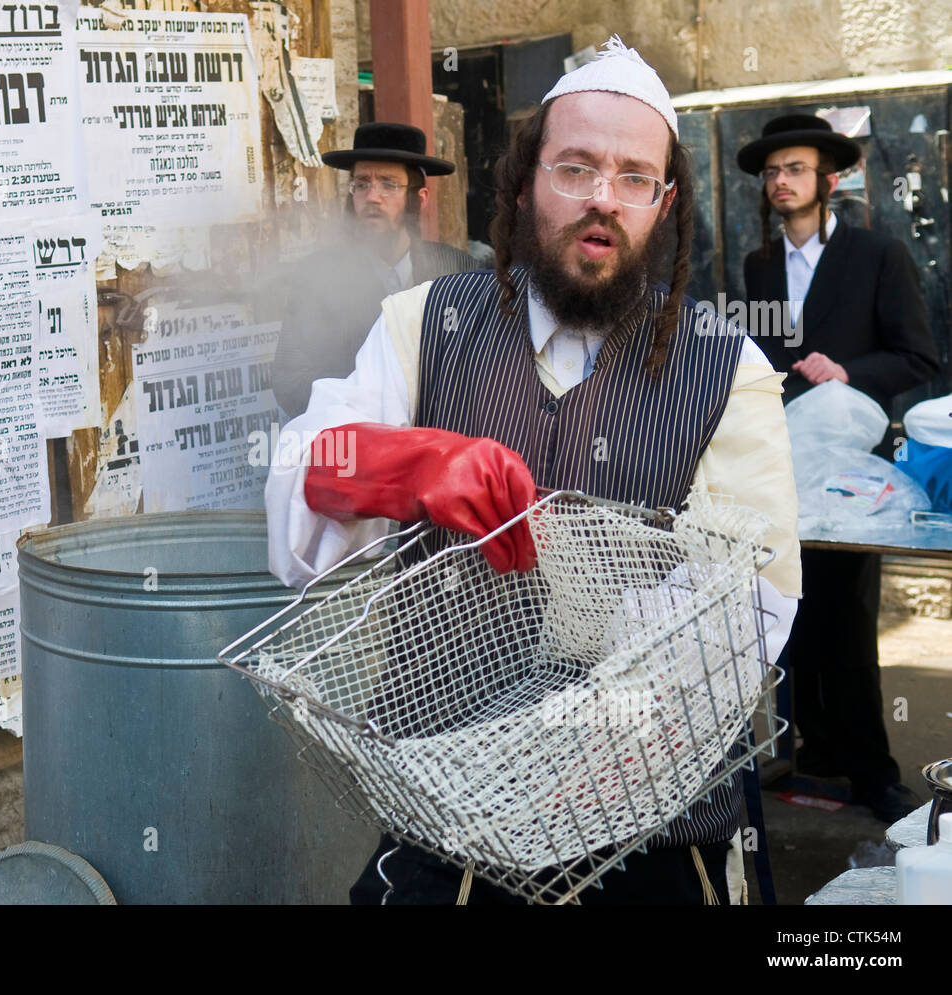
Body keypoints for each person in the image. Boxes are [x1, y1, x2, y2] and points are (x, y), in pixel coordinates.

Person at [265, 36, 802, 905]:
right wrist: (390, 465)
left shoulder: (725, 365)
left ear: (664, 204)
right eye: (575, 168)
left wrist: (564, 737)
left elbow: (750, 613)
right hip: (444, 834)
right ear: (523, 181)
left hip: (651, 848)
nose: (604, 201)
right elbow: (298, 495)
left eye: (634, 178)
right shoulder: (423, 322)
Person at [739, 114, 939, 823]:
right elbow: (760, 363)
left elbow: (919, 357)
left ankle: (874, 773)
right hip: (784, 460)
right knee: (792, 608)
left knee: (851, 619)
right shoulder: (758, 266)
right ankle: (813, 752)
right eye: (771, 173)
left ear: (827, 180)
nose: (780, 182)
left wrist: (849, 369)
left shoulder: (878, 255)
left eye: (793, 169)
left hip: (854, 472)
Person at [271, 122, 476, 417]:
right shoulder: (317, 275)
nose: (372, 197)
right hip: (359, 448)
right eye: (362, 183)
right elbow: (291, 381)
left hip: (440, 446)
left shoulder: (458, 270)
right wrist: (372, 413)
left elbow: (479, 368)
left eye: (389, 185)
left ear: (420, 199)